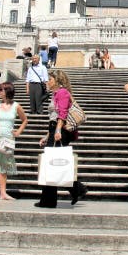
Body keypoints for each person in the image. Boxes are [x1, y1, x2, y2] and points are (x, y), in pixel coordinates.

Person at [36, 71, 87, 208]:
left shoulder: (62, 93)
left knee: (52, 163)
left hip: (61, 130)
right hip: (55, 128)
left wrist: (58, 130)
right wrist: (48, 135)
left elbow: (62, 113)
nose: (47, 82)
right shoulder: (55, 94)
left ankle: (49, 200)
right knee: (52, 163)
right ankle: (76, 189)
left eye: (50, 79)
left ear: (57, 80)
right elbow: (54, 116)